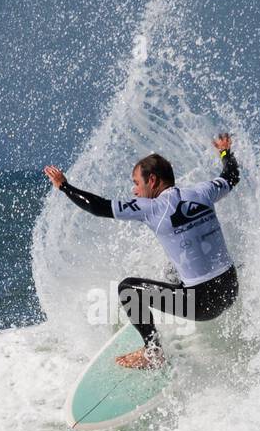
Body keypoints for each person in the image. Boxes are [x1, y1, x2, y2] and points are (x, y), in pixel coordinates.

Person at [43, 134, 241, 369]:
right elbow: (231, 175)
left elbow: (98, 207)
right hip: (230, 288)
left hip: (201, 305)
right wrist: (225, 152)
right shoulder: (203, 192)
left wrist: (64, 186)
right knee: (171, 268)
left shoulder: (152, 208)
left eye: (137, 182)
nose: (134, 189)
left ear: (153, 180)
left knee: (128, 289)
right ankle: (163, 317)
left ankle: (152, 351)